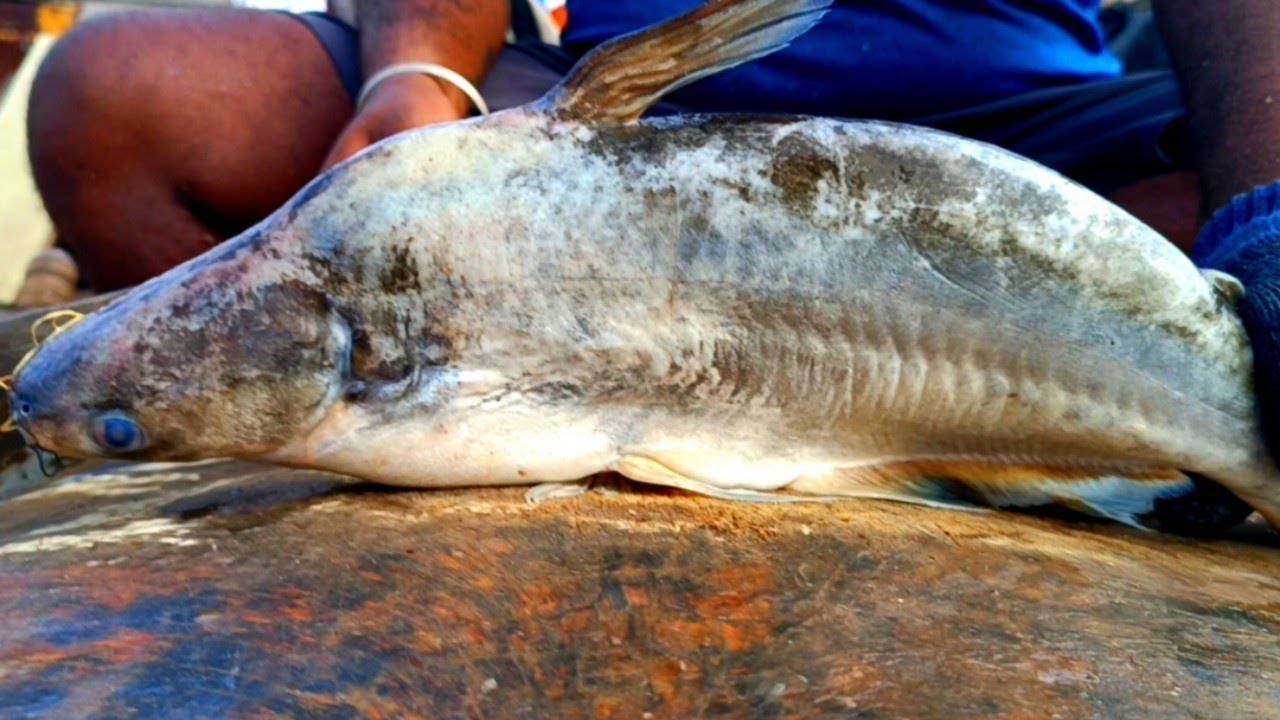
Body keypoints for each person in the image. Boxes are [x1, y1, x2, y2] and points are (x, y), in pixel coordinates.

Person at [22, 0, 1280, 458]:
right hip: (608, 118)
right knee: (121, 94)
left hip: (1011, 115)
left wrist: (1263, 210)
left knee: (1218, 212)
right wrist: (419, 93)